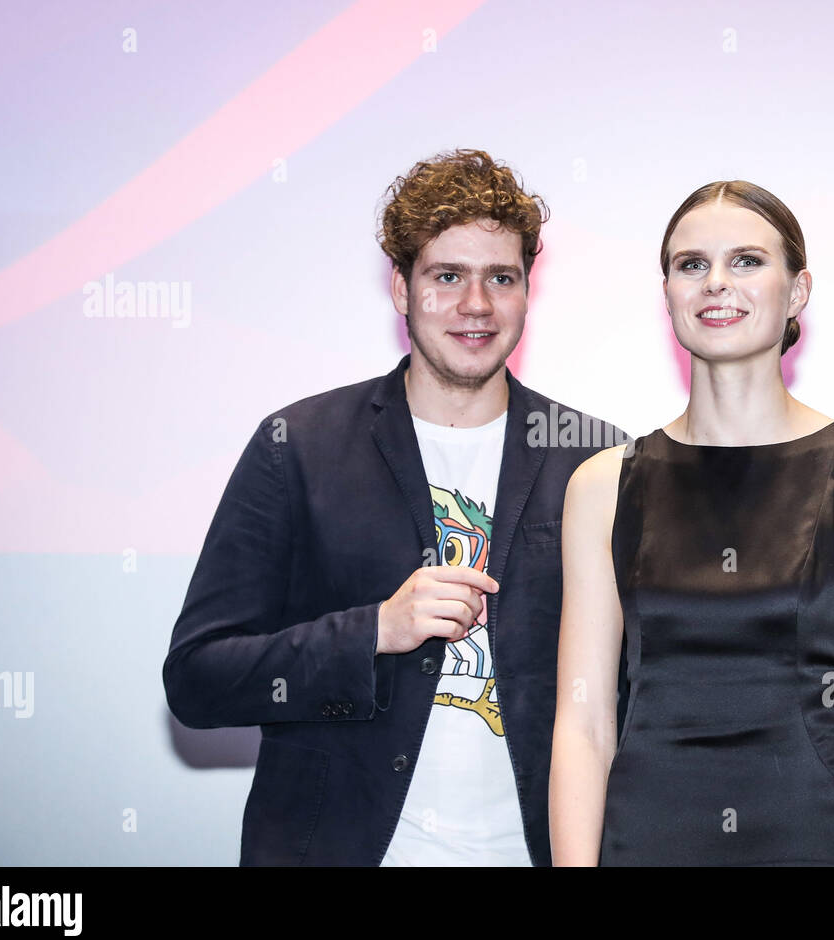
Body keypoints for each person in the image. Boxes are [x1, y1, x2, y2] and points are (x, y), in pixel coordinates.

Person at [164, 148, 625, 866]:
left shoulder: (595, 460)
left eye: (500, 278)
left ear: (527, 291)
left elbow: (638, 694)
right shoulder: (299, 446)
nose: (477, 305)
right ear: (402, 290)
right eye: (447, 276)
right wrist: (374, 629)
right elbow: (197, 679)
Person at [549, 180, 834, 866]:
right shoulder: (602, 486)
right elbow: (583, 725)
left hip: (820, 844)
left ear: (796, 293)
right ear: (667, 290)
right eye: (692, 264)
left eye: (747, 261)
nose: (716, 284)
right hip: (645, 846)